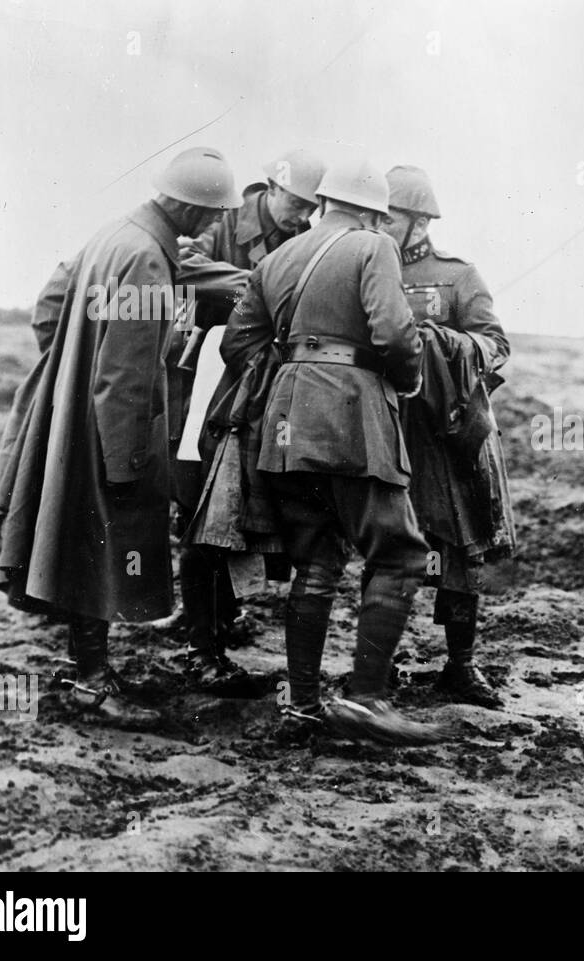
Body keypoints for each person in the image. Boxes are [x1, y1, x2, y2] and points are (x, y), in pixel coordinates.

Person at [0, 147, 243, 727]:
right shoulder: (146, 260)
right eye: (214, 212)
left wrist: (69, 366)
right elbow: (125, 376)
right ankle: (90, 680)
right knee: (100, 548)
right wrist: (126, 463)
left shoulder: (118, 234)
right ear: (188, 208)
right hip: (108, 431)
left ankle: (87, 668)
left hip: (78, 416)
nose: (219, 223)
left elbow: (50, 306)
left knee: (79, 544)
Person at [219, 157, 444, 745]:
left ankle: (303, 706)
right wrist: (409, 379)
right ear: (373, 211)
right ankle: (367, 699)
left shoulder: (276, 257)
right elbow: (395, 334)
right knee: (399, 554)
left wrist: (294, 377)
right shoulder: (374, 248)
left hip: (288, 424)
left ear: (322, 203)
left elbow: (238, 342)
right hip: (355, 419)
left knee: (315, 563)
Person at [168, 147, 326, 693]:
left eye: (313, 209)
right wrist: (255, 285)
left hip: (262, 390)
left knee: (243, 508)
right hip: (205, 385)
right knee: (201, 512)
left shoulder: (304, 238)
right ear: (272, 189)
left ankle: (217, 619)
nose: (304, 217)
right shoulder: (223, 223)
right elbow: (179, 270)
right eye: (298, 203)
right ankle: (200, 646)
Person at [381, 164, 516, 708]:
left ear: (419, 223)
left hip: (450, 435)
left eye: (389, 218)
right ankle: (381, 663)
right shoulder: (367, 269)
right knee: (386, 546)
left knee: (460, 550)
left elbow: (495, 343)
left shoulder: (458, 276)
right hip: (389, 431)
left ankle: (459, 665)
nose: (379, 227)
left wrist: (446, 349)